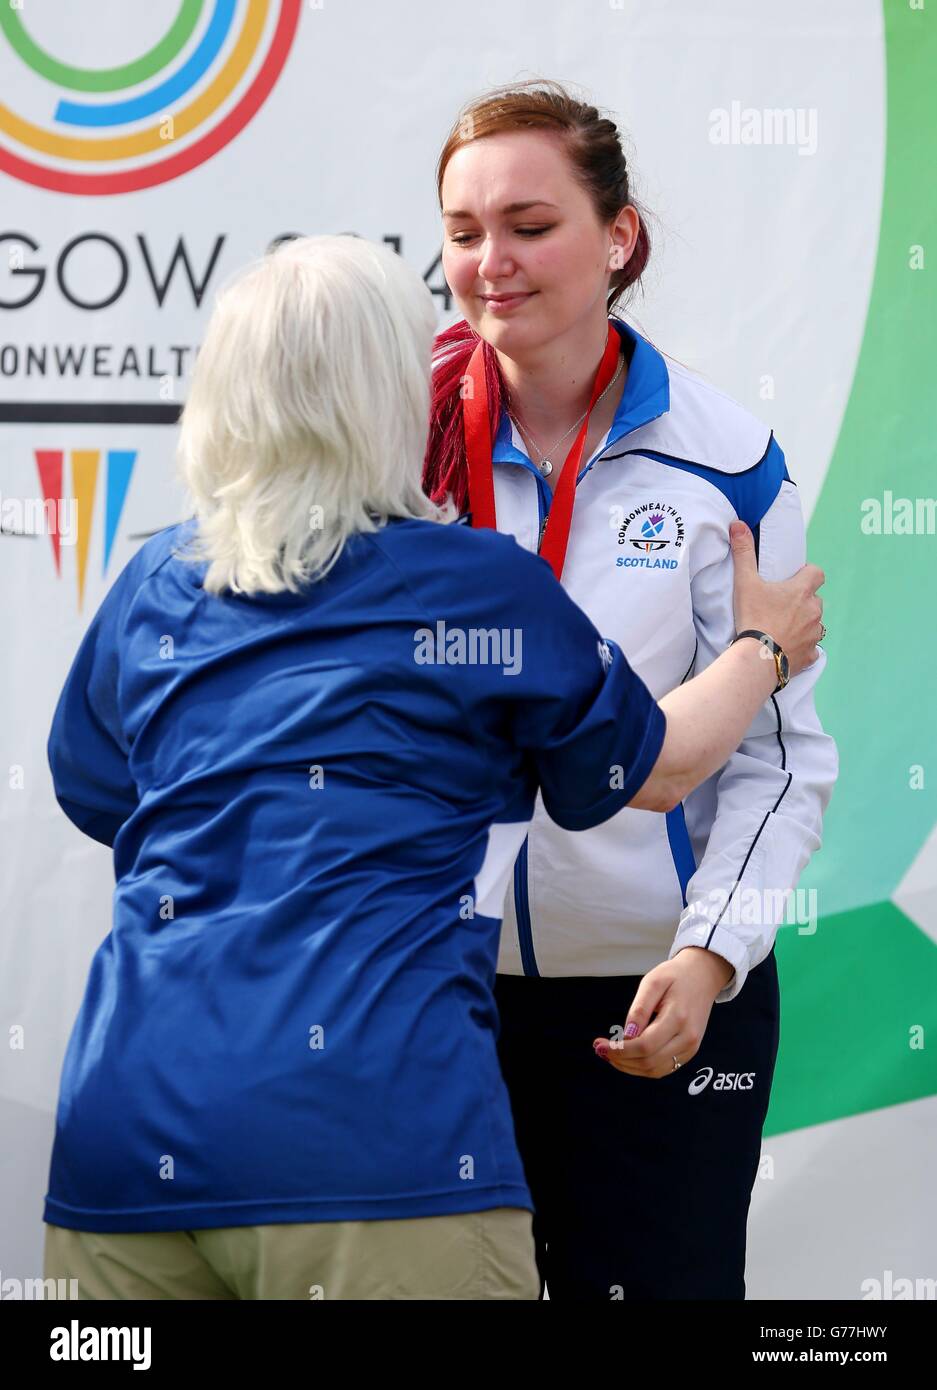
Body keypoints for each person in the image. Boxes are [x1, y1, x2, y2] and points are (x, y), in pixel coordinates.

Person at [41, 235, 822, 1302]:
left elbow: (102, 792)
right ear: (385, 398)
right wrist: (762, 649)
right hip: (377, 1145)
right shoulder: (473, 586)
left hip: (121, 1142)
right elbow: (657, 767)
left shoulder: (151, 584)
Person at [423, 79, 838, 1300]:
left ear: (617, 237)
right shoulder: (400, 451)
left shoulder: (723, 462)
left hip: (663, 1001)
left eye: (530, 225)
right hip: (443, 999)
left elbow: (778, 760)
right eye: (461, 231)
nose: (491, 262)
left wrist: (710, 956)